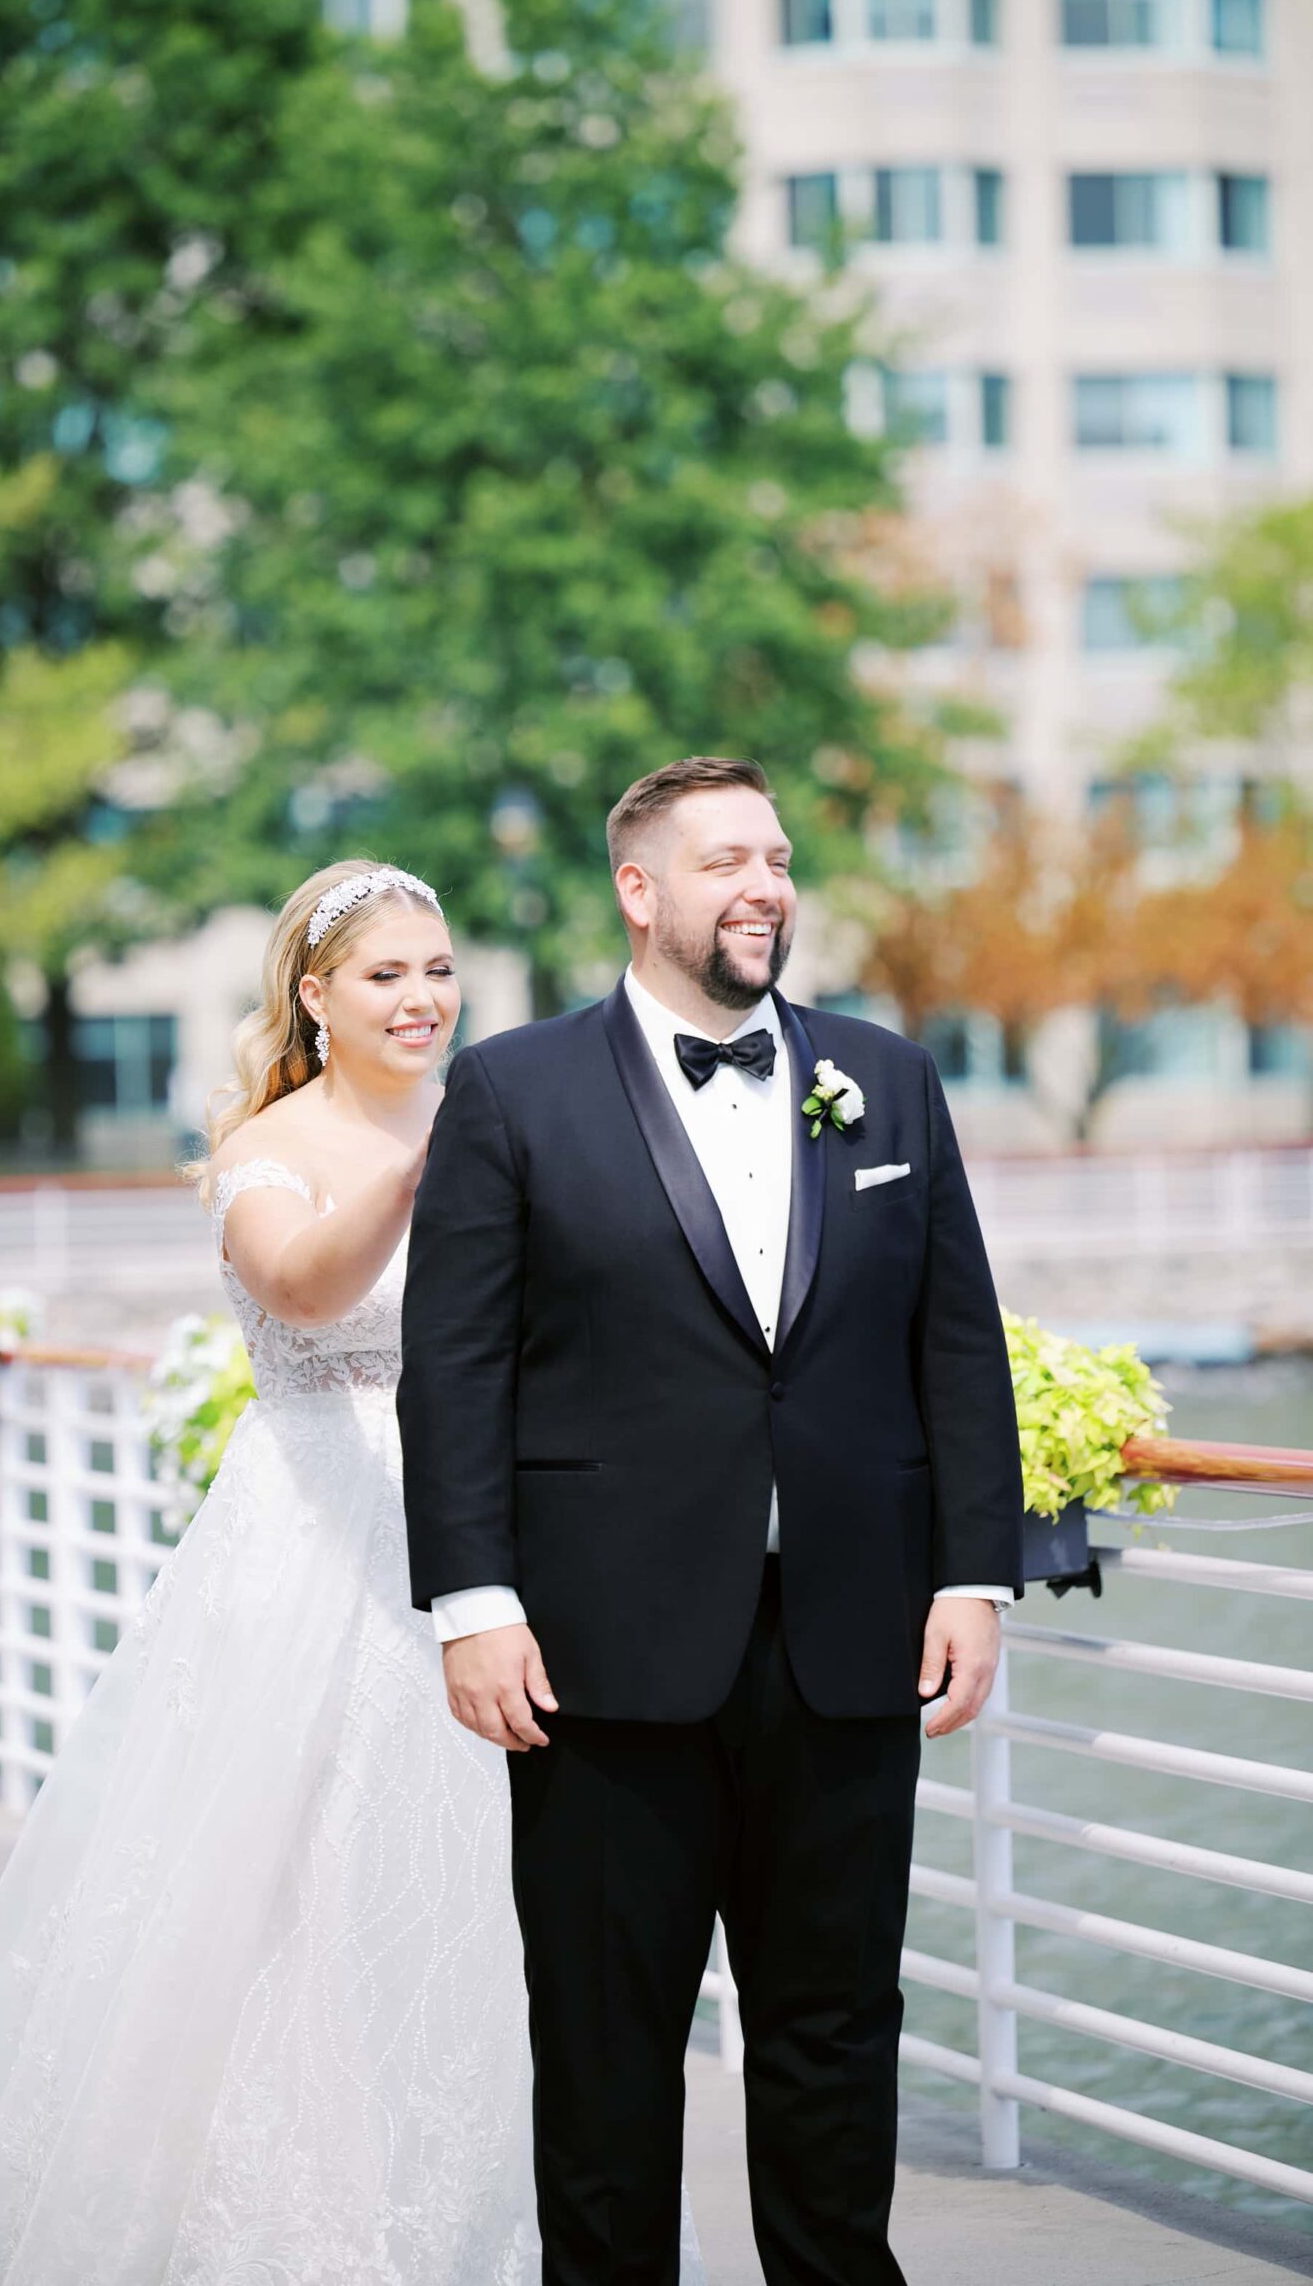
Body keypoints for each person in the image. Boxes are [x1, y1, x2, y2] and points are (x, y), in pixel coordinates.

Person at [0, 860, 639, 2286]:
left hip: (495, 1532)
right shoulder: (265, 1149)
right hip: (319, 1535)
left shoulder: (503, 1123)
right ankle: (296, 2223)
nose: (421, 999)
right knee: (297, 1884)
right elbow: (305, 1289)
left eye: (437, 970)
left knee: (491, 1889)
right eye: (385, 975)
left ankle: (501, 2219)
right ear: (315, 994)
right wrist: (427, 1163)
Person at [400, 756, 1025, 2286]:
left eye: (778, 858)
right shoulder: (512, 1089)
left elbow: (953, 1341)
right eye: (726, 861)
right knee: (605, 2040)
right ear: (639, 890)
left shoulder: (888, 1079)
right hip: (596, 1653)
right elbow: (455, 1365)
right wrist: (473, 1603)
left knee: (835, 2026)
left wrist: (972, 1574)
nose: (764, 886)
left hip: (849, 1638)